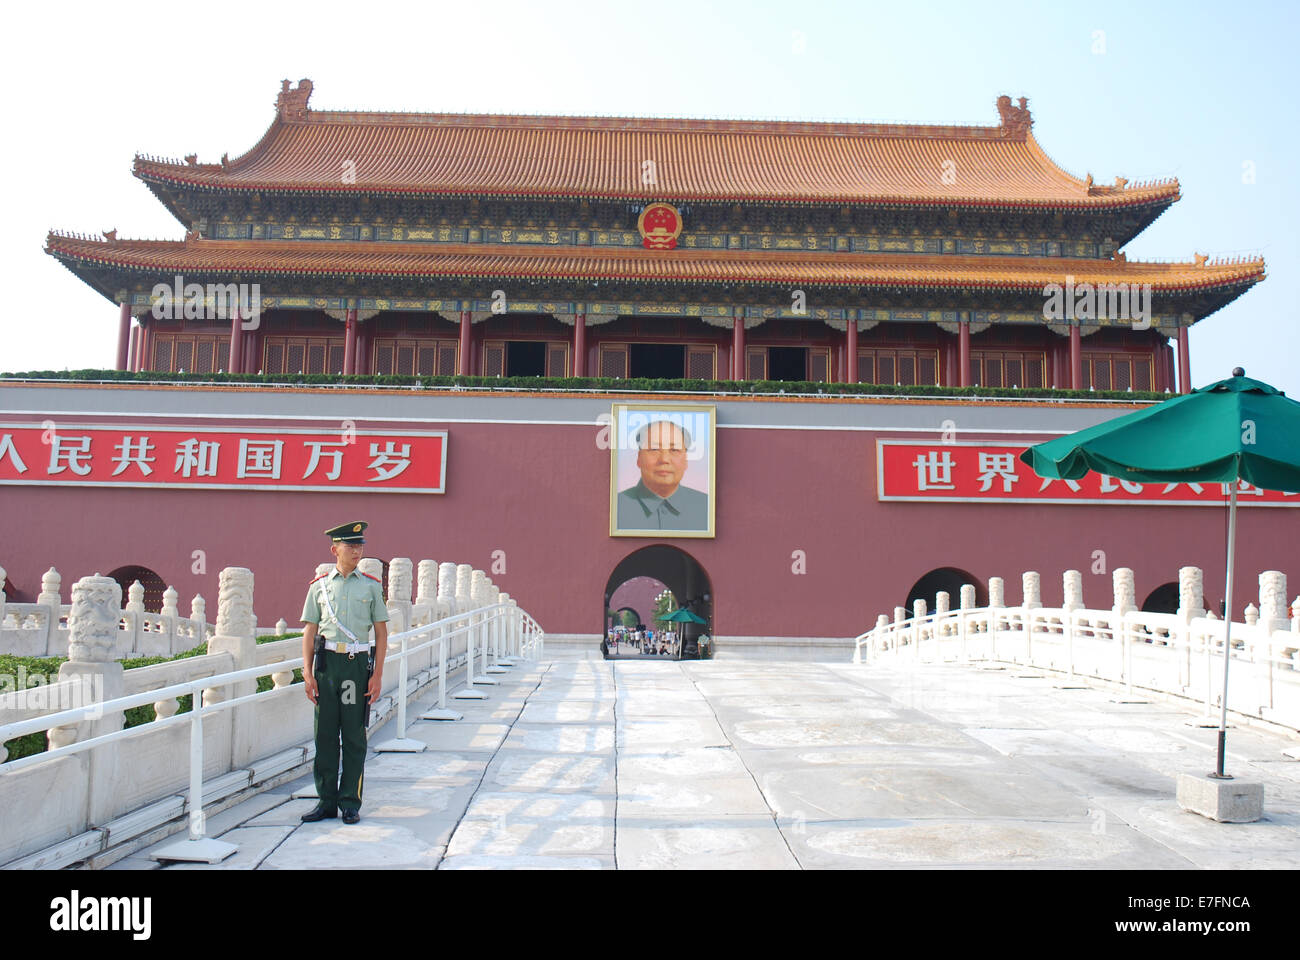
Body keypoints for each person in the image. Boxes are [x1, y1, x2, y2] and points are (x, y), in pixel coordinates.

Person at [299, 521, 389, 826]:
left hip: (354, 667)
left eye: (359, 545)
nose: (356, 551)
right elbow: (310, 631)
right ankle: (326, 801)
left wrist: (377, 676)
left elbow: (381, 633)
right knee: (324, 735)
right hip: (326, 667)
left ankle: (350, 801)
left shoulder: (371, 586)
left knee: (352, 736)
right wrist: (307, 673)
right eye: (350, 546)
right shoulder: (320, 586)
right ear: (334, 549)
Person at [616, 419, 709, 531]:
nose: (664, 459)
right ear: (639, 458)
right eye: (654, 449)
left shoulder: (707, 507)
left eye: (674, 450)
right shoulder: (616, 507)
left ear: (686, 460)